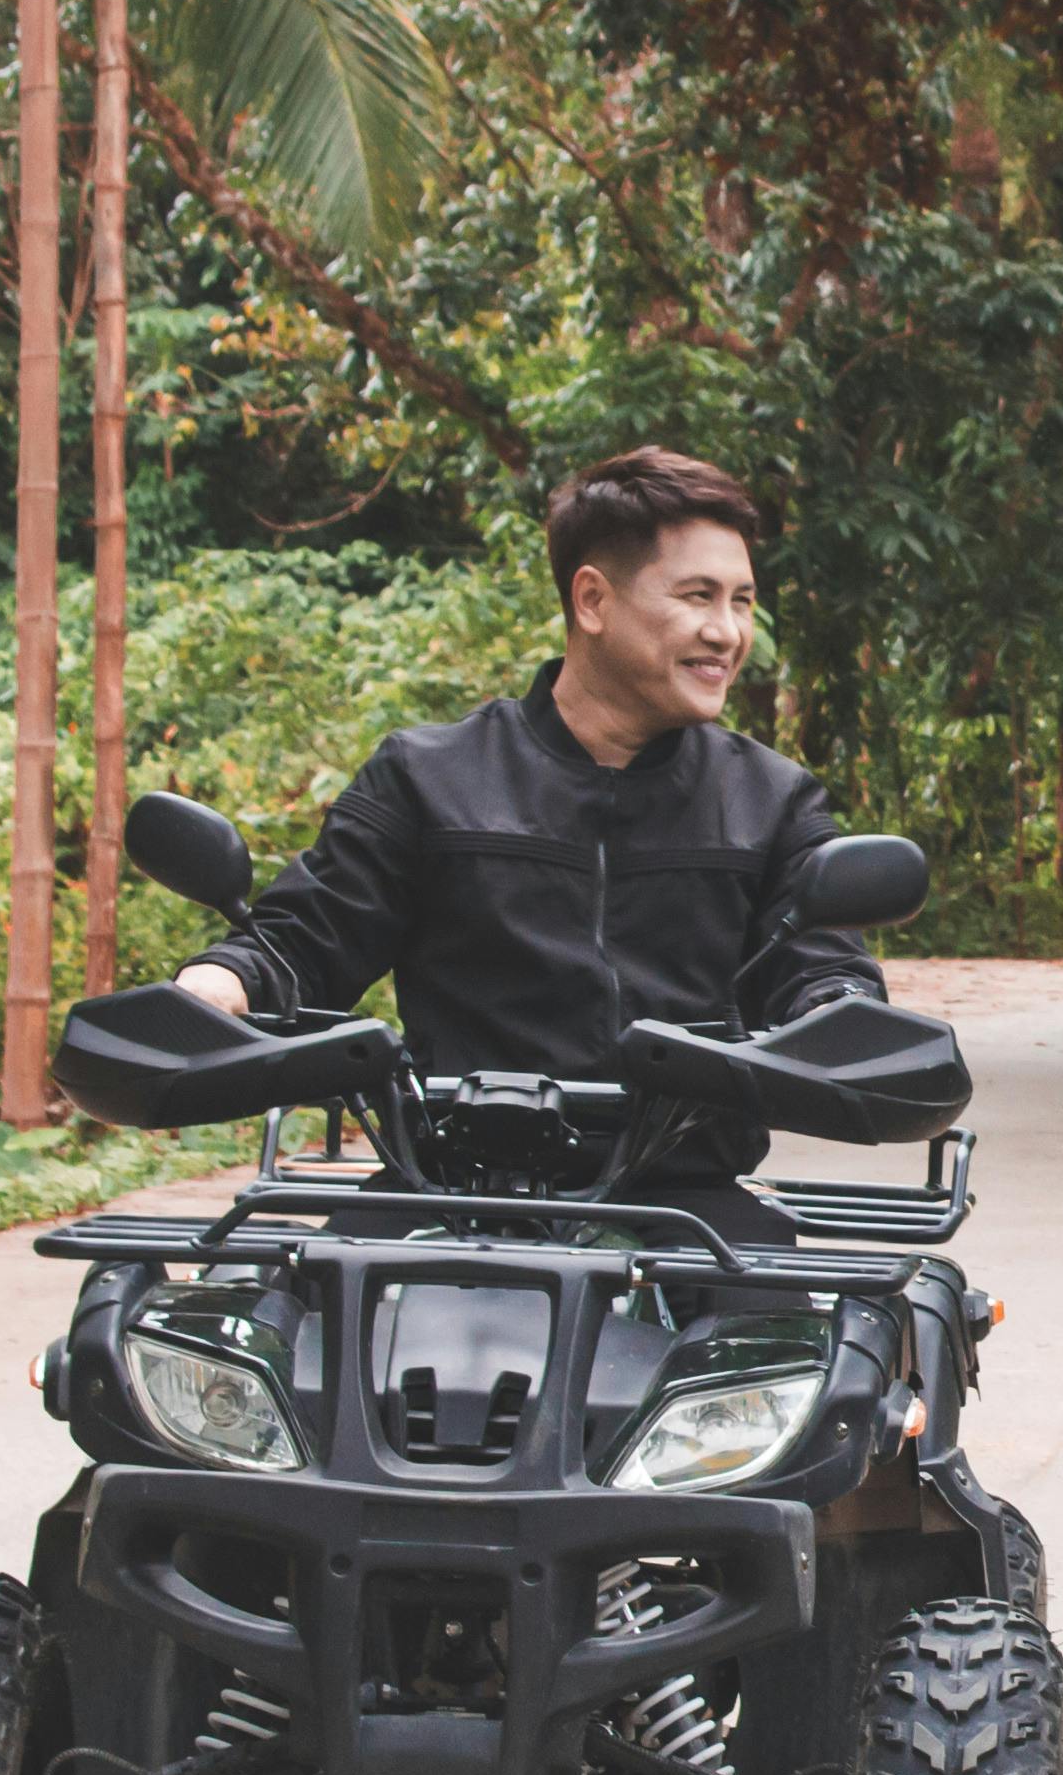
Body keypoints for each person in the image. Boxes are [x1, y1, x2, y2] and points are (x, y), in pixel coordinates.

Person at [173, 446, 884, 1242]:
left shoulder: (772, 800)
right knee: (252, 1331)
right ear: (592, 600)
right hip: (436, 1189)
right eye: (698, 597)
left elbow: (821, 967)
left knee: (809, 1359)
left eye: (743, 602)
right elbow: (308, 938)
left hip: (684, 1204)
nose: (728, 632)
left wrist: (839, 1012)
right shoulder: (427, 777)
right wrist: (221, 981)